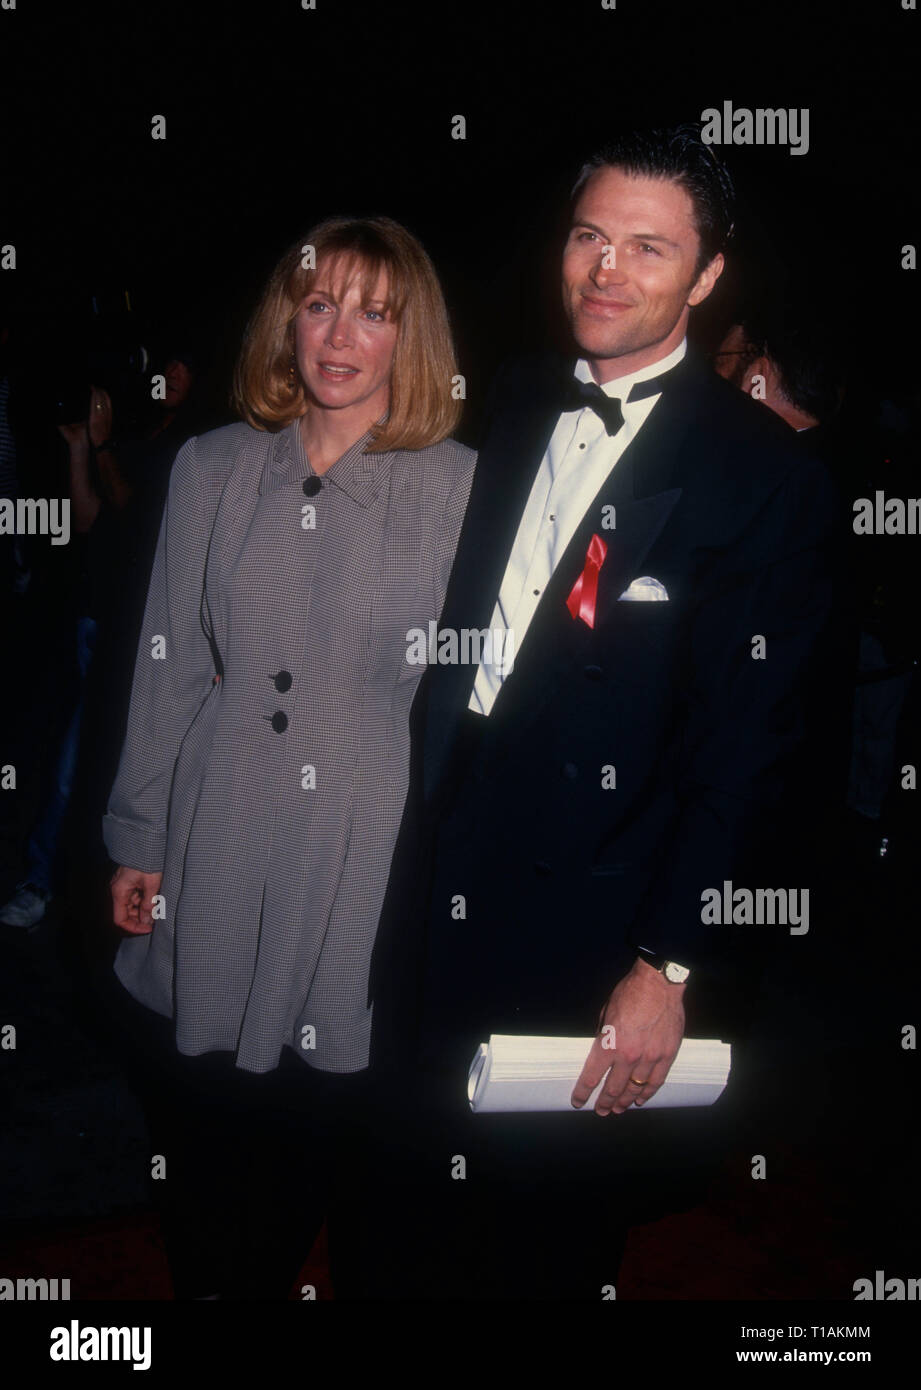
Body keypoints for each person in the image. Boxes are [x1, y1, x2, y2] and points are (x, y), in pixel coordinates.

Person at [361, 125, 847, 1300]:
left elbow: (754, 743)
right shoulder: (523, 397)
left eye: (648, 246)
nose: (607, 270)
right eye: (589, 236)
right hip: (442, 867)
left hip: (595, 909)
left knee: (541, 1234)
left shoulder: (764, 475)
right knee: (404, 1204)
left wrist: (667, 964)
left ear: (708, 274)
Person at [99, 215, 475, 1299]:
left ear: (414, 338)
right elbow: (168, 664)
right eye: (319, 304)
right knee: (209, 1126)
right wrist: (137, 839)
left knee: (335, 1121)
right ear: (286, 320)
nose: (340, 333)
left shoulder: (461, 488)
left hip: (364, 833)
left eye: (374, 311)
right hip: (219, 816)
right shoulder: (210, 468)